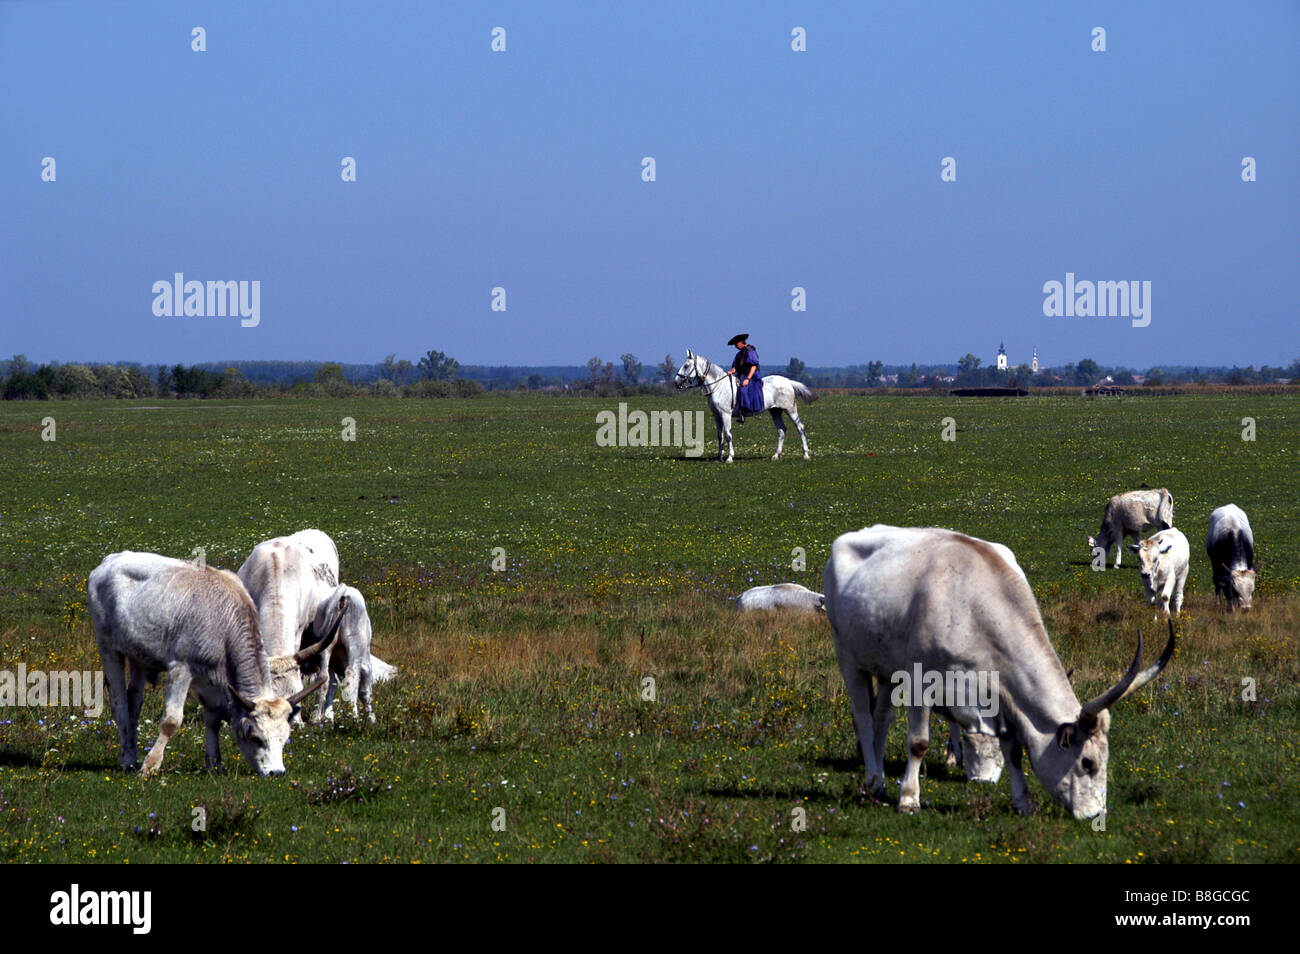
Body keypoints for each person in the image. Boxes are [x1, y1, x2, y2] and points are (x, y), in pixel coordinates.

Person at [725, 333, 763, 423]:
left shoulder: (751, 352)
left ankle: (744, 412)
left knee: (743, 389)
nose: (735, 346)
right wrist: (731, 371)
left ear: (742, 343)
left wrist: (748, 379)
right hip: (741, 375)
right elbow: (735, 366)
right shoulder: (739, 354)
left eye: (736, 344)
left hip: (752, 376)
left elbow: (754, 366)